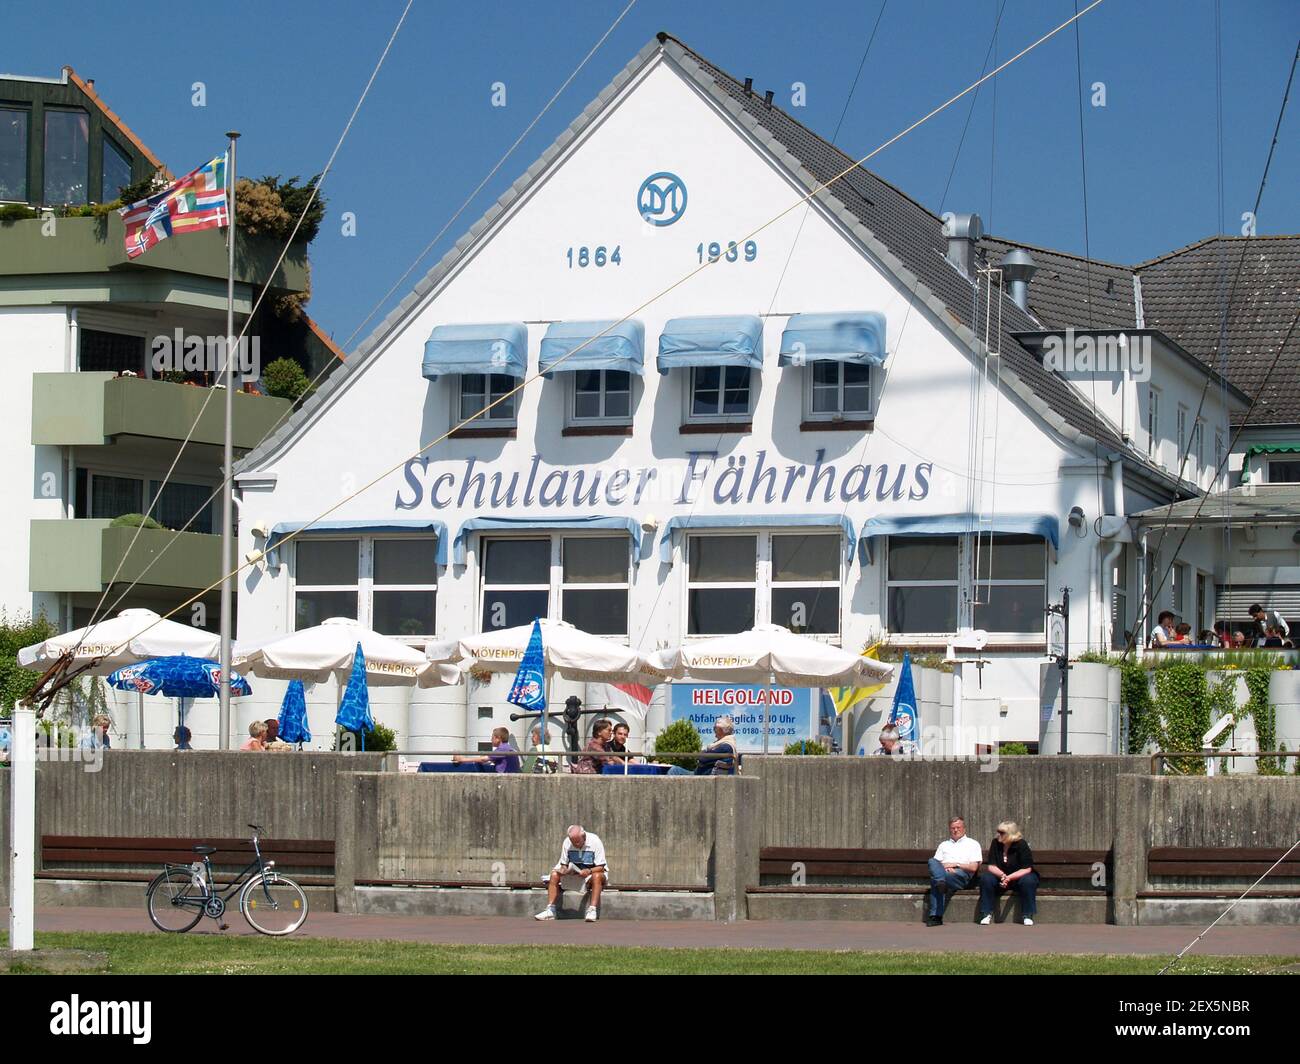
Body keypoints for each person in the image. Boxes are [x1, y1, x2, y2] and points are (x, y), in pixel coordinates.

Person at [535, 824, 607, 923]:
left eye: (578, 841)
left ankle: (592, 909)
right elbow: (564, 864)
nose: (576, 844)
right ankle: (550, 910)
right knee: (554, 875)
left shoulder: (595, 841)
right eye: (573, 842)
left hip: (591, 874)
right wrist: (564, 870)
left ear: (584, 836)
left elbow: (601, 867)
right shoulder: (567, 842)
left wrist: (589, 871)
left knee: (597, 876)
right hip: (574, 876)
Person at [977, 820, 1040, 926]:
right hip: (1000, 877)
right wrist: (1002, 876)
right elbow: (991, 866)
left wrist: (1009, 878)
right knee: (986, 878)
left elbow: (1027, 868)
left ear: (1011, 834)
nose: (998, 834)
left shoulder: (1021, 844)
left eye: (1002, 833)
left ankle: (1027, 914)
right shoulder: (995, 843)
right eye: (998, 831)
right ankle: (986, 913)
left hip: (1019, 877)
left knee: (1029, 880)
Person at [926, 816, 982, 927]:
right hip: (944, 873)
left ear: (964, 828)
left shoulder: (973, 844)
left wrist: (956, 865)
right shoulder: (943, 845)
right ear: (949, 829)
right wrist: (945, 868)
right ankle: (941, 881)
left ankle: (935, 917)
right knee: (932, 861)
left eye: (958, 827)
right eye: (953, 828)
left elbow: (973, 867)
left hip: (962, 876)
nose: (955, 830)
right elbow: (936, 864)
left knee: (936, 880)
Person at [666, 715, 740, 776]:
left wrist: (702, 753)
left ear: (721, 730)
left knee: (675, 770)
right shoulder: (726, 744)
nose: (714, 730)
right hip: (704, 775)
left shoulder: (725, 747)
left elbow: (703, 758)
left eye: (715, 728)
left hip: (702, 777)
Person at [453, 726, 521, 773]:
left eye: (492, 738)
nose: (491, 740)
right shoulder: (508, 748)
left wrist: (462, 759)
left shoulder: (502, 749)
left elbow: (484, 759)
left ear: (498, 738)